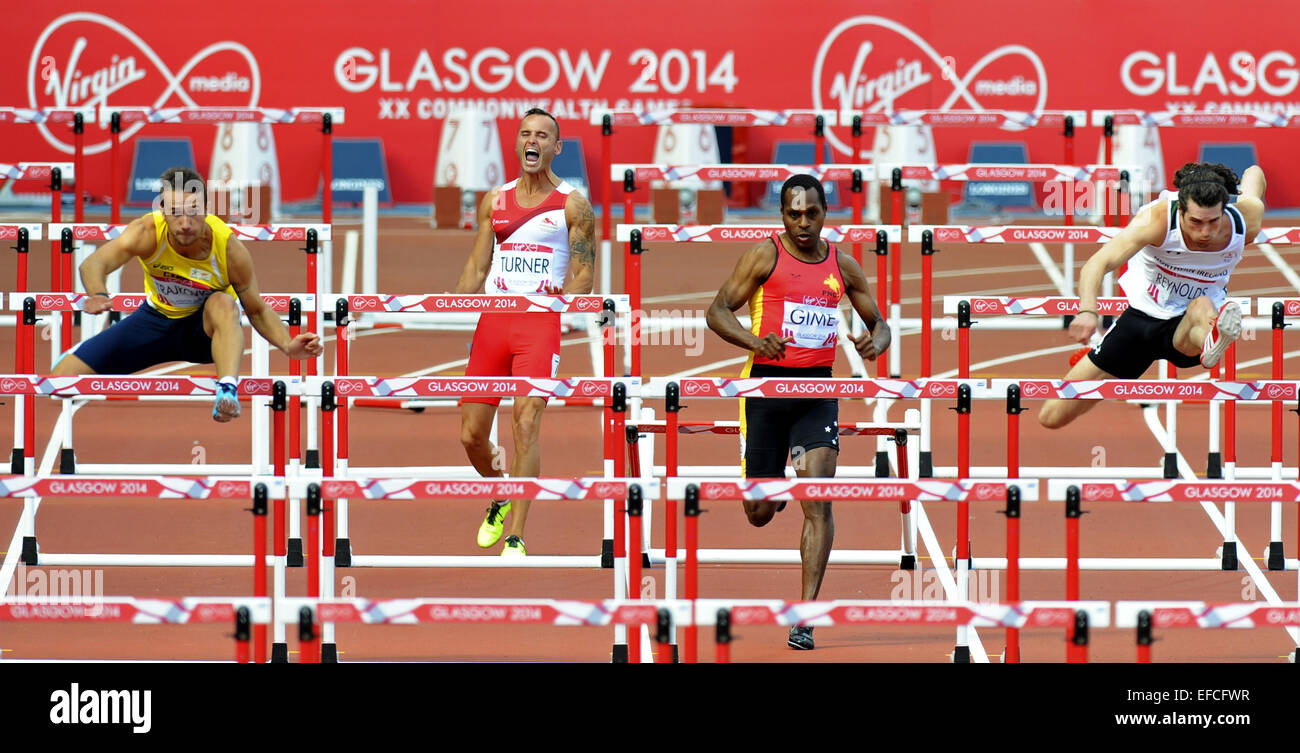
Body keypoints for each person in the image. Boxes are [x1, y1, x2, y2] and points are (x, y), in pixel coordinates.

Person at [706, 174, 891, 649]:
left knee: (819, 497)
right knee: (759, 511)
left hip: (816, 389)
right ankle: (774, 485)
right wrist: (754, 340)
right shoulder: (765, 255)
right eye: (794, 213)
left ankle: (805, 616)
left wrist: (876, 343)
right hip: (765, 388)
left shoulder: (843, 264)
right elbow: (718, 310)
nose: (803, 222)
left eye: (812, 213)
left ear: (825, 212)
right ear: (782, 215)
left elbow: (880, 323)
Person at [52, 166, 322, 420]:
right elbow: (94, 263)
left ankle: (227, 389)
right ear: (163, 210)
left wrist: (287, 345)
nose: (184, 223)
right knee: (60, 381)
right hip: (153, 323)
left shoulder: (228, 249)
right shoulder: (146, 232)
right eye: (175, 212)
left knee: (223, 302)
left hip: (204, 333)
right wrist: (98, 292)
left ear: (206, 209)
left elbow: (256, 309)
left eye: (192, 212)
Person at [455, 108, 596, 558]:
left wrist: (562, 300)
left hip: (538, 326)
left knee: (526, 422)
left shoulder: (573, 205)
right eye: (525, 134)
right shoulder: (494, 201)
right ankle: (500, 493)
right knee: (471, 435)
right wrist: (447, 305)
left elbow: (585, 273)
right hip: (493, 322)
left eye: (543, 136)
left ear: (557, 148)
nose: (532, 141)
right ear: (517, 144)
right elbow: (478, 265)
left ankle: (516, 532)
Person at [1039, 162, 1266, 429]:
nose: (1205, 232)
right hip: (1140, 321)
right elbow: (1098, 264)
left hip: (1188, 325)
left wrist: (1233, 185)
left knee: (1203, 305)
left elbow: (1254, 172)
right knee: (1052, 417)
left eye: (1213, 221)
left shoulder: (1244, 222)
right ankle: (1111, 378)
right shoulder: (1157, 220)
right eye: (1195, 222)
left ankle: (1214, 340)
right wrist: (1088, 311)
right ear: (1180, 210)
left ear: (1224, 209)